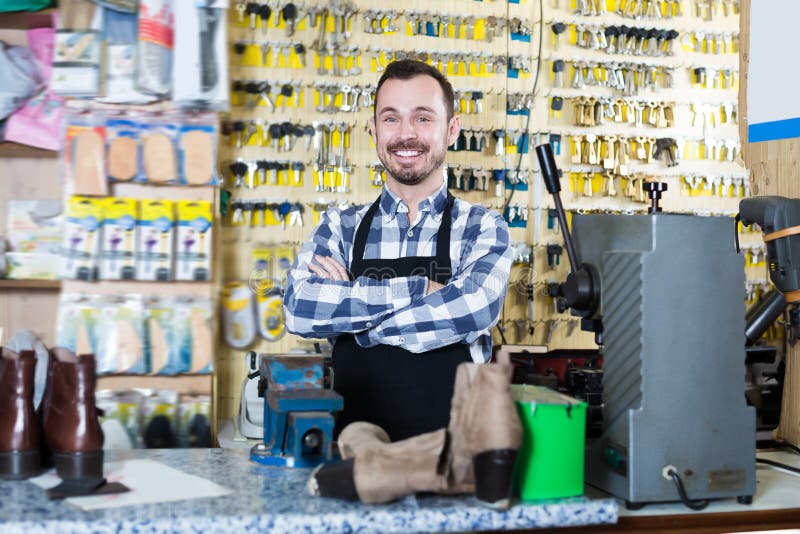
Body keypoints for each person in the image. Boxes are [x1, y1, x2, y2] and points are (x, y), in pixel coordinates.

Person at [283, 59, 513, 441]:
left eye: (423, 118)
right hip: (353, 460)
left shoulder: (483, 228)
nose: (406, 134)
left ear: (451, 129)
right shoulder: (340, 227)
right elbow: (300, 309)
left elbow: (474, 308)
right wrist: (421, 290)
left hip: (451, 465)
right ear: (373, 130)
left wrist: (355, 320)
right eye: (391, 119)